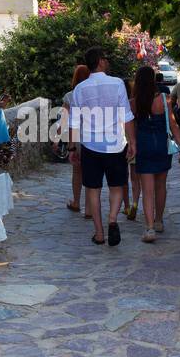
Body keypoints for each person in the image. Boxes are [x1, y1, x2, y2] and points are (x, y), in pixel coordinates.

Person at [68, 46, 136, 246]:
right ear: (99, 61)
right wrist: (132, 141)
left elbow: (73, 121)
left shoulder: (80, 89)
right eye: (105, 58)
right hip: (115, 144)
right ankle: (113, 219)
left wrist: (72, 148)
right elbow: (127, 115)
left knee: (93, 189)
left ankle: (99, 233)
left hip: (90, 145)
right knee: (116, 186)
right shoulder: (117, 84)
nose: (107, 61)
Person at [132, 64, 180, 241]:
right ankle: (158, 221)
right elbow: (173, 125)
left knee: (147, 190)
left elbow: (130, 128)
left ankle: (149, 229)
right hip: (162, 147)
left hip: (144, 146)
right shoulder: (165, 99)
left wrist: (130, 145)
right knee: (161, 186)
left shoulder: (133, 103)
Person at [62, 63, 89, 213]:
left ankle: (77, 202)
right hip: (91, 137)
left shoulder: (69, 96)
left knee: (77, 172)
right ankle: (89, 209)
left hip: (76, 137)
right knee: (91, 172)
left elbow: (64, 119)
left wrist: (56, 137)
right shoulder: (93, 94)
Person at [122, 78, 141, 220]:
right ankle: (135, 204)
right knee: (135, 178)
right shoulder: (136, 103)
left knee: (123, 178)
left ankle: (126, 206)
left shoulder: (121, 105)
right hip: (136, 141)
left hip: (121, 142)